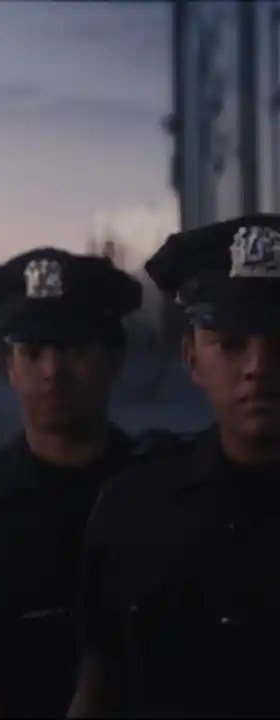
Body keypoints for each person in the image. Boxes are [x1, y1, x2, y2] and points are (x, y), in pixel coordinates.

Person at [69, 216, 280, 717]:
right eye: (230, 344)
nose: (258, 367)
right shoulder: (134, 510)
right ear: (191, 359)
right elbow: (99, 687)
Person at [0, 248, 144, 717]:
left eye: (73, 348)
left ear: (114, 359)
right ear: (10, 367)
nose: (52, 372)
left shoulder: (160, 497)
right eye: (32, 351)